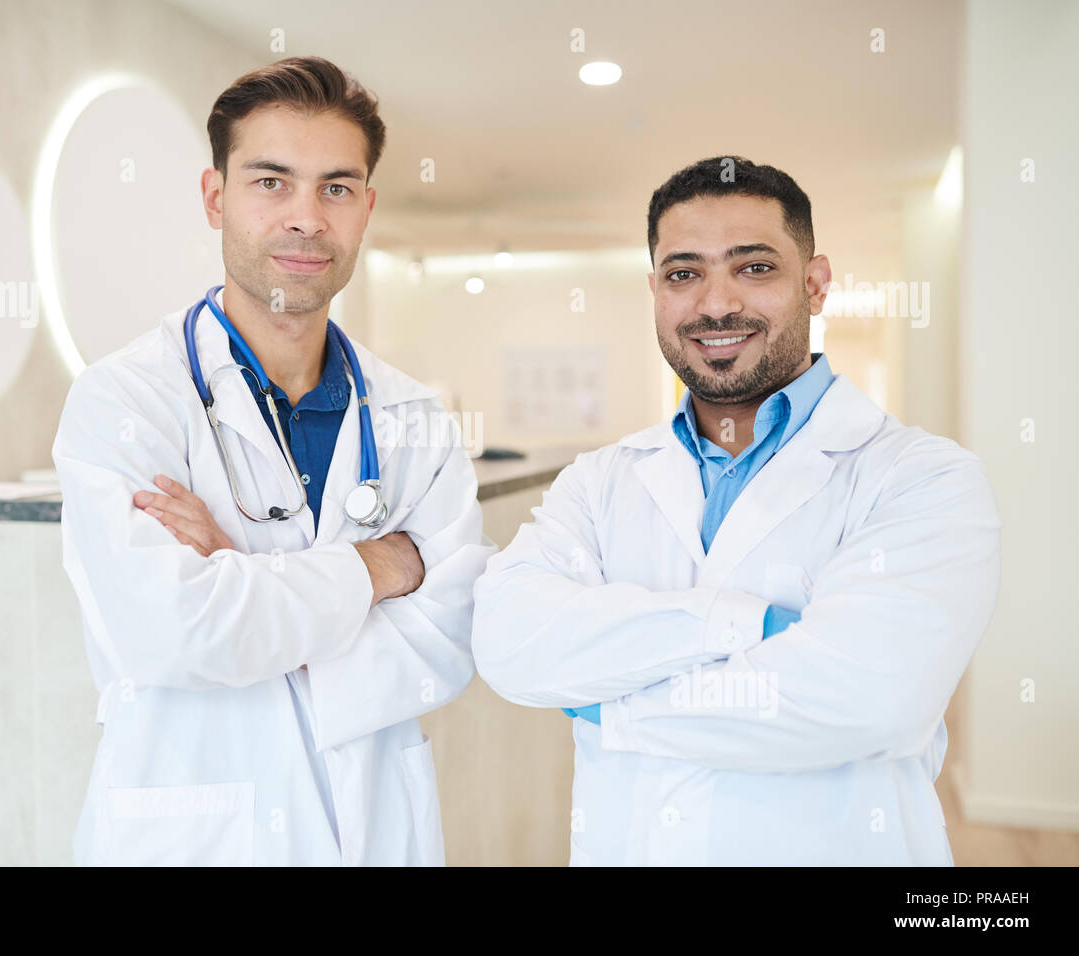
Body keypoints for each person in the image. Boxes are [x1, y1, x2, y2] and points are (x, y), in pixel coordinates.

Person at [470, 155, 1002, 866]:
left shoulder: (922, 478)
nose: (716, 304)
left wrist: (611, 704)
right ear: (656, 290)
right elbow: (511, 645)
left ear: (814, 286)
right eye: (683, 273)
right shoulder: (599, 481)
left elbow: (869, 699)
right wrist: (751, 625)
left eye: (753, 268)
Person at [52, 56, 494, 866]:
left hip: (374, 827)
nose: (305, 217)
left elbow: (447, 644)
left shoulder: (414, 421)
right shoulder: (125, 402)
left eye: (335, 187)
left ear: (364, 208)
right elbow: (173, 632)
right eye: (270, 182)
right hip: (191, 827)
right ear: (216, 197)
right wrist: (375, 569)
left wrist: (236, 569)